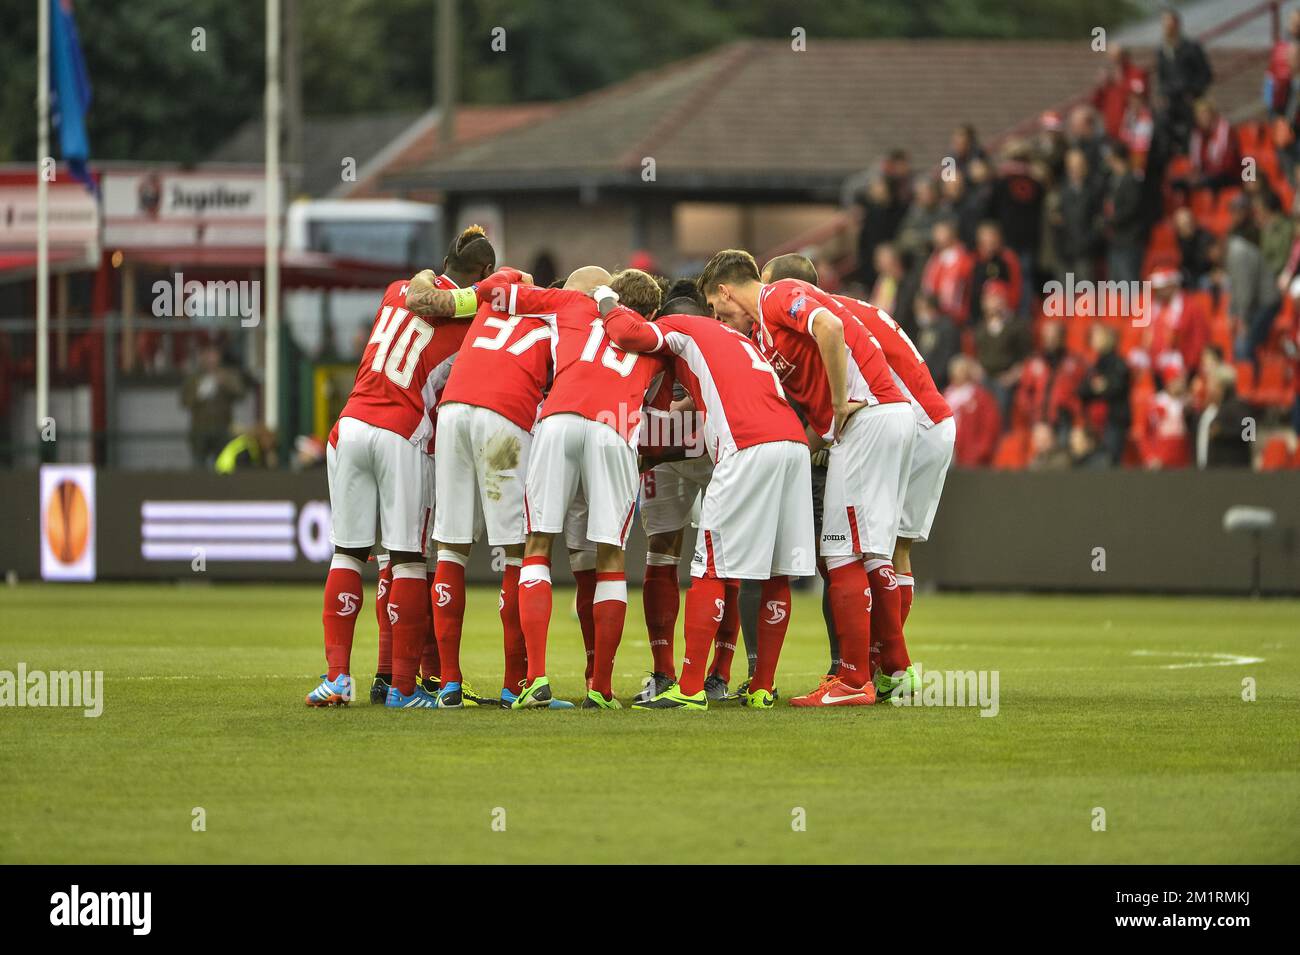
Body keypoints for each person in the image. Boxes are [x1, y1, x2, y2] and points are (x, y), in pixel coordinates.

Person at [699, 249, 913, 707]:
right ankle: (896, 668)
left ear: (726, 290)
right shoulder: (764, 335)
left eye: (719, 310)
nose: (722, 320)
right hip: (878, 418)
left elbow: (830, 328)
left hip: (867, 417)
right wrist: (814, 438)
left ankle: (853, 682)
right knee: (870, 551)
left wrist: (838, 405)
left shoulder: (779, 296)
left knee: (839, 552)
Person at [595, 284, 816, 711]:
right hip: (789, 442)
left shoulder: (679, 330)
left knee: (713, 566)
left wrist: (606, 299)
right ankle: (761, 687)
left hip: (742, 445)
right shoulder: (736, 339)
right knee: (775, 569)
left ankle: (693, 686)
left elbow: (626, 333)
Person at [463, 267, 668, 710]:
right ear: (650, 309)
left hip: (557, 420)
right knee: (610, 553)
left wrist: (487, 288)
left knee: (538, 544)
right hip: (613, 429)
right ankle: (601, 687)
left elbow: (501, 297)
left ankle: (536, 679)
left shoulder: (575, 305)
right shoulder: (656, 335)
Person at [763, 253, 954, 698]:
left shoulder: (807, 311)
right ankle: (889, 670)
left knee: (854, 548)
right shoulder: (858, 308)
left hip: (894, 419)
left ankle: (865, 672)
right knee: (893, 548)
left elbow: (845, 379)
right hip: (931, 419)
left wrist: (832, 416)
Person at [303, 252, 482, 710]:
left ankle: (337, 678)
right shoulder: (474, 323)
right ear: (480, 278)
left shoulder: (396, 289)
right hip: (400, 432)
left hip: (349, 426)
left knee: (348, 552)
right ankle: (402, 688)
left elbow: (424, 295)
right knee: (406, 557)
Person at [404, 260, 555, 708]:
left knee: (450, 546)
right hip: (504, 417)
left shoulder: (489, 303)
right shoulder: (557, 322)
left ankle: (449, 684)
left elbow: (432, 302)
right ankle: (513, 685)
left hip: (452, 412)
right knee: (515, 550)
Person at [1155, 6, 1213, 149]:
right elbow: (1162, 76)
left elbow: (1206, 74)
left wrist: (1193, 92)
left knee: (1191, 135)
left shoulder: (1191, 48)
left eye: (1169, 24)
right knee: (1161, 127)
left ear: (1176, 25)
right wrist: (1162, 94)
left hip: (1189, 102)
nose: (1166, 28)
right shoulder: (1162, 50)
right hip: (1171, 101)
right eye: (1164, 24)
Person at [181, 343, 245, 468]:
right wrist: (199, 393)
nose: (211, 359)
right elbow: (185, 402)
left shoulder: (228, 374)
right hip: (200, 429)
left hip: (223, 428)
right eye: (207, 355)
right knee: (198, 465)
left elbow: (240, 394)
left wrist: (225, 382)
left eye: (214, 355)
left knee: (223, 466)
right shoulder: (194, 378)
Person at [1077, 322, 1131, 465]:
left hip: (1114, 420)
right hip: (1097, 422)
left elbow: (1118, 385)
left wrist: (1103, 385)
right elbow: (1083, 389)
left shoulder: (1118, 362)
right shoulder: (1097, 363)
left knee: (1109, 460)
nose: (1093, 340)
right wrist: (1097, 386)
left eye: (1097, 336)